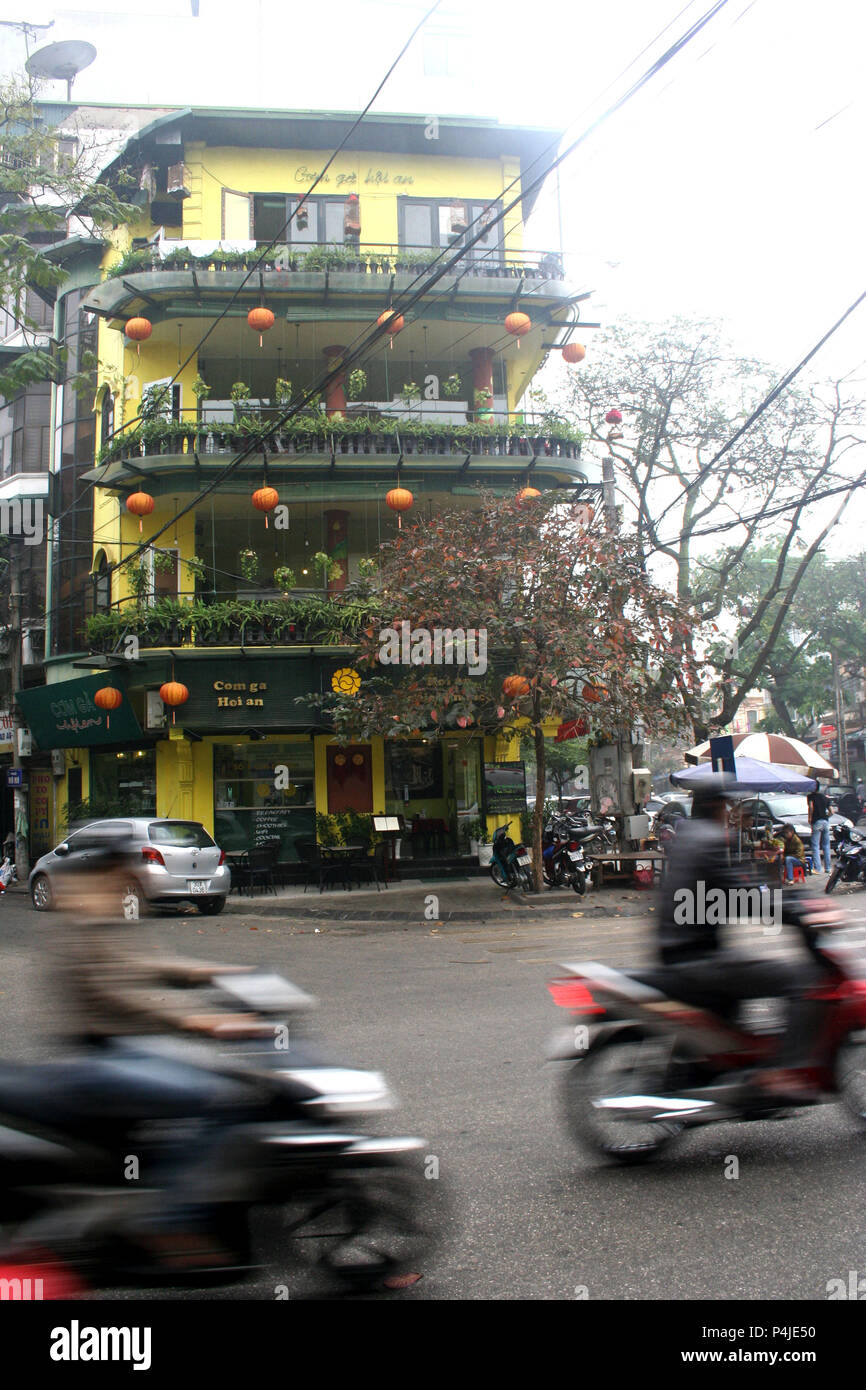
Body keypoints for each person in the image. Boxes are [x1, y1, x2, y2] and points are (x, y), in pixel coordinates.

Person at [658, 779, 830, 1102]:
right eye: (727, 807)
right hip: (697, 960)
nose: (731, 814)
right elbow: (744, 898)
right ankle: (783, 1074)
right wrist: (793, 912)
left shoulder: (687, 838)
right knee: (799, 980)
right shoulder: (709, 840)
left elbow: (732, 892)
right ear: (716, 807)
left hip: (677, 952)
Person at [808, 784, 832, 873]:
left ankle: (817, 868)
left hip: (816, 822)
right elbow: (832, 811)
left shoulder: (811, 797)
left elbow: (811, 806)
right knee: (826, 845)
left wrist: (810, 818)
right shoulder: (824, 797)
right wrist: (826, 817)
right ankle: (828, 868)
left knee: (815, 846)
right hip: (825, 822)